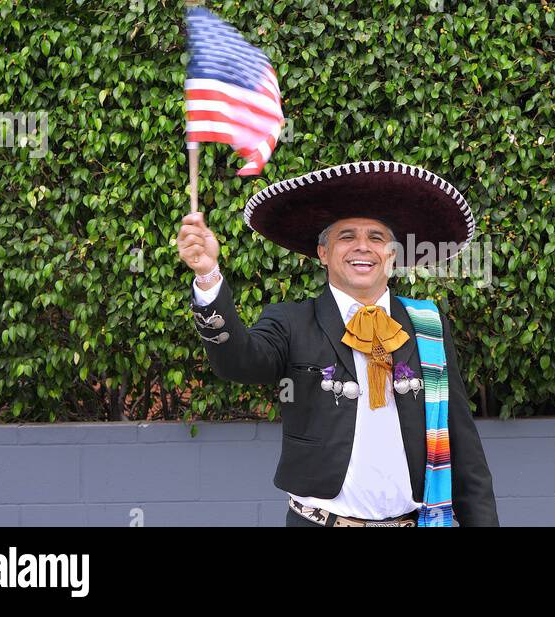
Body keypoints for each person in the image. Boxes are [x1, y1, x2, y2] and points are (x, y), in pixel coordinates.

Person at [177, 160, 499, 527]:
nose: (362, 247)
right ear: (324, 253)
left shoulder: (426, 325)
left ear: (392, 255)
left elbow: (463, 446)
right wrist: (208, 276)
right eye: (346, 236)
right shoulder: (291, 321)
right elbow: (239, 363)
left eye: (376, 238)